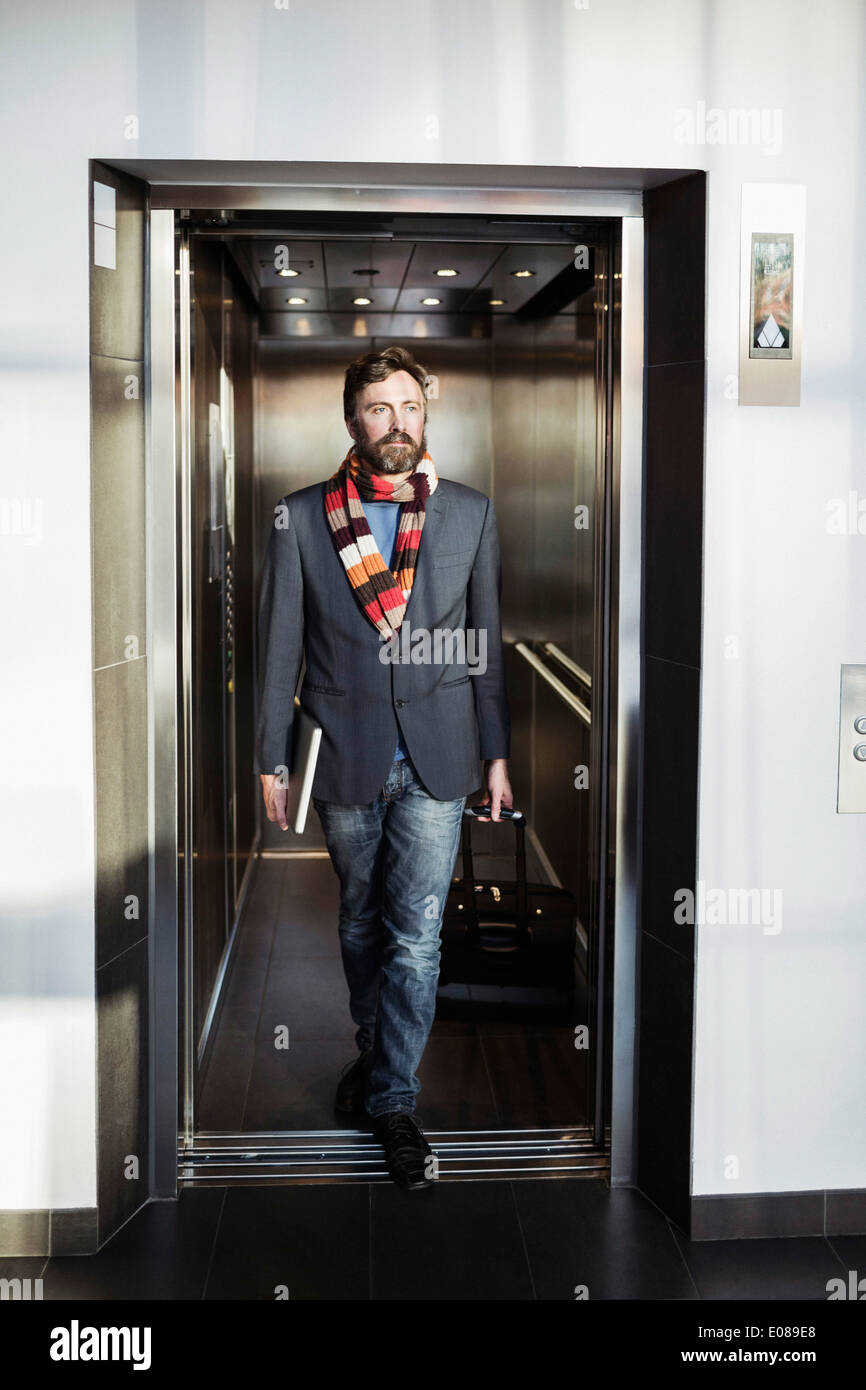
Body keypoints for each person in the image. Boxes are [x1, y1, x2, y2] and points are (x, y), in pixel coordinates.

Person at [255, 344, 512, 1190]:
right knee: (363, 925)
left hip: (441, 758)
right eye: (379, 410)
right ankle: (375, 1056)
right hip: (345, 754)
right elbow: (278, 649)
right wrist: (270, 759)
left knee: (417, 936)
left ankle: (395, 1101)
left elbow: (484, 648)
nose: (397, 425)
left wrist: (497, 751)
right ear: (353, 421)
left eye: (409, 408)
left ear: (425, 416)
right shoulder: (303, 517)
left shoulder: (469, 514)